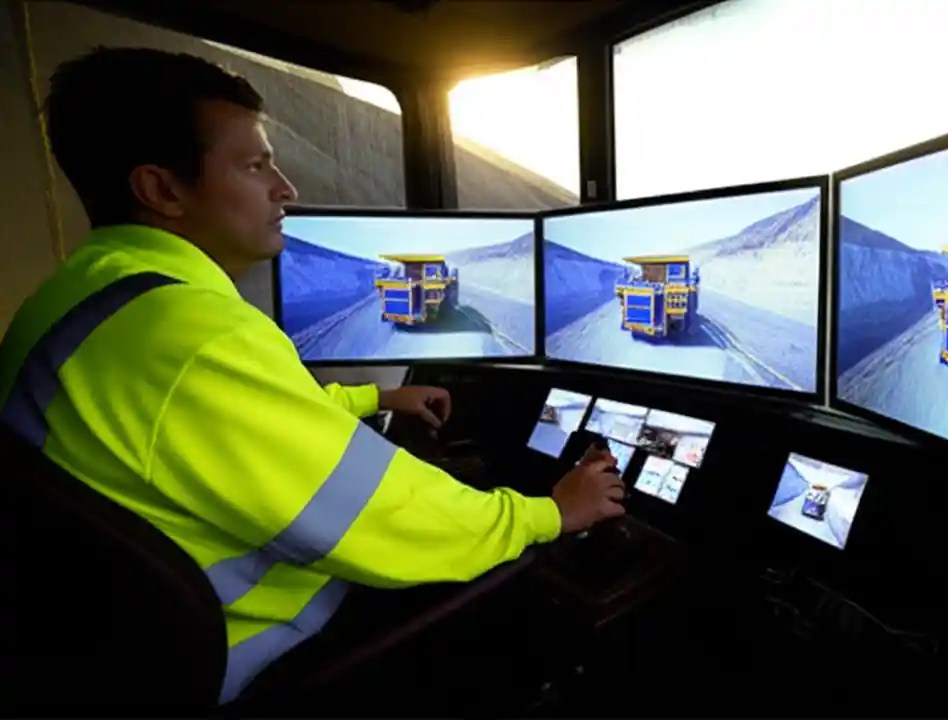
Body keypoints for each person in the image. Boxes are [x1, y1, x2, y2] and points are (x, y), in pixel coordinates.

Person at [0, 46, 624, 705]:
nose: (285, 189)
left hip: (110, 649)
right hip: (248, 650)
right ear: (161, 189)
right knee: (533, 578)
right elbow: (391, 513)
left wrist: (371, 397)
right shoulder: (193, 333)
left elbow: (217, 419)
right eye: (255, 164)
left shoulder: (75, 298)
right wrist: (550, 512)